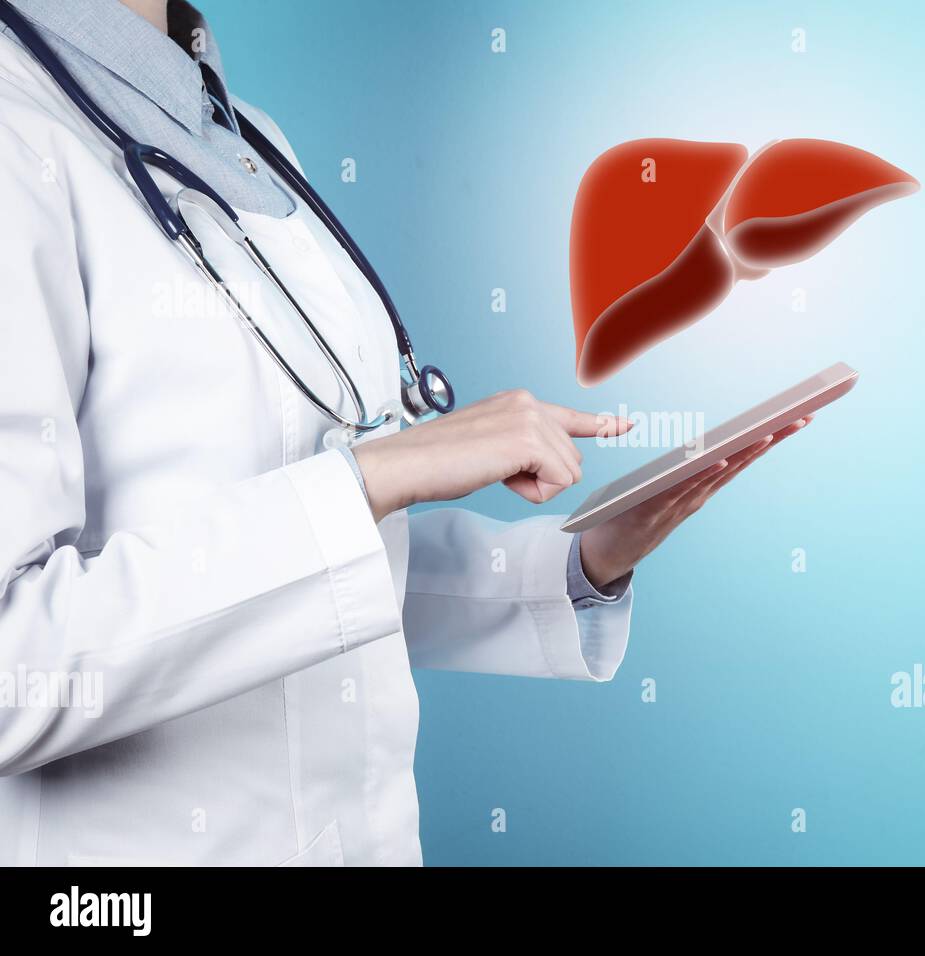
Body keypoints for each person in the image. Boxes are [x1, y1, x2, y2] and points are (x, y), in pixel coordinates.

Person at [0, 0, 809, 865]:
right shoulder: (18, 137)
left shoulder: (244, 137)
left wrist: (576, 561)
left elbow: (318, 576)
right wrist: (375, 476)